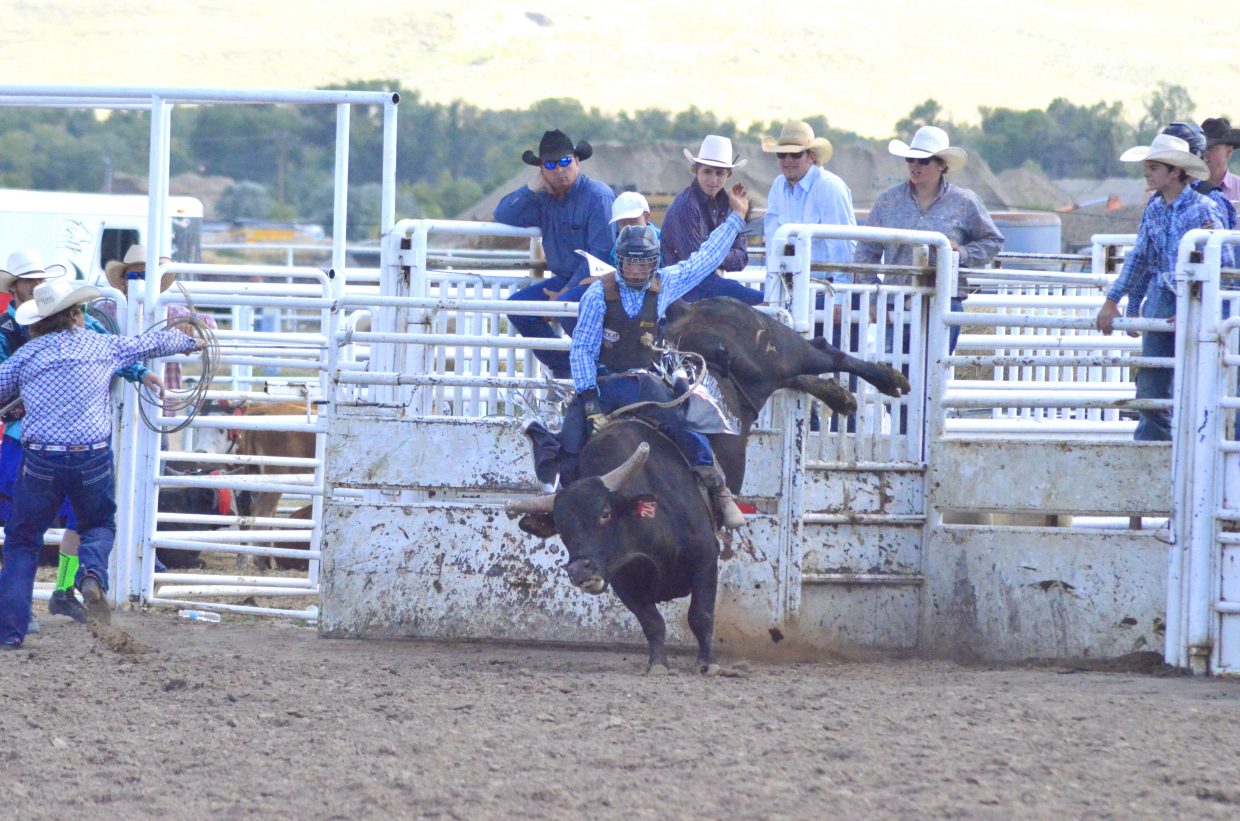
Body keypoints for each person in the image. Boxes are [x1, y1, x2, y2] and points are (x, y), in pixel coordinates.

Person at [529, 184, 753, 530]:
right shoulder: (597, 295)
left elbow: (705, 259)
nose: (635, 270)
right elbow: (583, 348)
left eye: (643, 263)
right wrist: (589, 399)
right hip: (604, 383)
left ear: (653, 262)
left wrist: (736, 217)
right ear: (619, 261)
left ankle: (719, 491)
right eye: (630, 263)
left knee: (687, 427)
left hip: (647, 382)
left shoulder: (665, 283)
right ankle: (559, 506)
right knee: (570, 442)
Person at [0, 277, 201, 648]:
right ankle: (91, 574)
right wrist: (191, 341)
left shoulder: (27, 354)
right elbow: (149, 343)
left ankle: (11, 633)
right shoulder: (101, 345)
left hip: (41, 457)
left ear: (38, 322)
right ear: (75, 314)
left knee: (22, 541)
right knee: (98, 524)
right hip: (90, 455)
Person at [1095, 133, 1230, 442]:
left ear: (1175, 172)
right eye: (1148, 167)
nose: (1147, 173)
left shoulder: (1205, 210)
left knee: (1199, 382)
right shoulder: (1155, 208)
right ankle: (1158, 449)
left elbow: (1223, 267)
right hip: (1162, 298)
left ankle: (1187, 448)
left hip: (1198, 303)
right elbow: (1140, 256)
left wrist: (1197, 306)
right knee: (1151, 386)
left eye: (1154, 167)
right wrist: (1113, 300)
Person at [856, 125, 1004, 355]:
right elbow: (866, 250)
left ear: (941, 165)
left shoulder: (965, 202)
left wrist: (962, 253)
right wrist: (874, 297)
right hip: (896, 301)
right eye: (910, 159)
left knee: (934, 367)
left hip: (943, 299)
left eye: (923, 161)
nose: (914, 166)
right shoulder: (887, 201)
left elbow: (993, 241)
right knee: (895, 370)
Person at [495, 129, 616, 379]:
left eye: (565, 162)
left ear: (577, 162)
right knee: (518, 308)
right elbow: (503, 214)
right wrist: (532, 187)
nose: (560, 169)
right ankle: (565, 368)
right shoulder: (543, 199)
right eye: (550, 164)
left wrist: (564, 293)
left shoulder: (598, 195)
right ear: (541, 170)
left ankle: (603, 371)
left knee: (566, 307)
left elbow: (601, 255)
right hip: (563, 280)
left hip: (597, 279)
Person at [103, 244, 218, 416]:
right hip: (115, 402)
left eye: (146, 276)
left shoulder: (171, 312)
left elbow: (210, 325)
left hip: (158, 399)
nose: (140, 281)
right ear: (123, 281)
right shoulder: (109, 311)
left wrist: (192, 325)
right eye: (133, 276)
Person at [762, 121, 858, 324]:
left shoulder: (829, 186)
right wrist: (770, 296)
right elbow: (773, 245)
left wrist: (840, 298)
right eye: (782, 154)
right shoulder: (778, 186)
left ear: (811, 156)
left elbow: (843, 246)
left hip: (827, 291)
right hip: (792, 292)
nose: (788, 160)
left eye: (795, 154)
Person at [662, 135, 760, 305]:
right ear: (696, 171)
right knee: (764, 302)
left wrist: (714, 255)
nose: (713, 180)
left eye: (720, 173)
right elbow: (696, 268)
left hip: (705, 289)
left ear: (728, 174)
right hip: (680, 294)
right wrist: (720, 254)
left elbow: (741, 259)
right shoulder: (685, 206)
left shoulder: (730, 204)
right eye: (707, 172)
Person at [1161, 122, 1236, 229]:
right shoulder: (1157, 200)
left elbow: (1219, 239)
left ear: (1229, 151)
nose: (1207, 154)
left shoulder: (1212, 199)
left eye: (1211, 148)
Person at [1202, 118, 1240, 203]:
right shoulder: (1188, 188)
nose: (1205, 153)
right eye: (1202, 147)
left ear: (1229, 152)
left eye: (1211, 148)